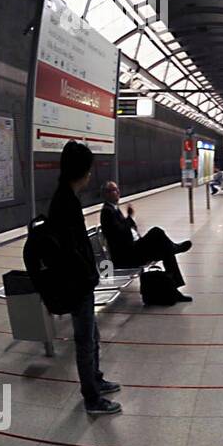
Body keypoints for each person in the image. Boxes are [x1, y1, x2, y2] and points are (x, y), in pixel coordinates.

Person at [46, 141, 121, 415]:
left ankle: (96, 379)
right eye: (89, 169)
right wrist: (89, 274)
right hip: (76, 284)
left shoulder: (65, 198)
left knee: (92, 336)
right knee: (85, 341)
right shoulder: (65, 204)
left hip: (80, 282)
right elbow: (70, 250)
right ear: (82, 171)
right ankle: (91, 398)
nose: (91, 175)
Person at [100, 181, 193, 301]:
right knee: (156, 232)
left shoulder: (113, 209)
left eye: (117, 189)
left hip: (132, 249)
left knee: (165, 249)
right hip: (126, 256)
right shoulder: (107, 212)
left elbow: (124, 229)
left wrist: (129, 220)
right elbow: (119, 234)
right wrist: (129, 218)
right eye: (113, 190)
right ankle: (174, 249)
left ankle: (174, 289)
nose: (117, 192)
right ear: (106, 194)